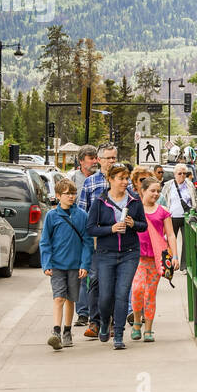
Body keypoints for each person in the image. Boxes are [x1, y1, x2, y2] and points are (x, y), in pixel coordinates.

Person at [87, 162, 147, 349]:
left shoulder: (134, 201)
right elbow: (90, 229)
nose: (125, 182)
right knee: (105, 296)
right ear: (110, 179)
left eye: (126, 178)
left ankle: (119, 334)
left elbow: (143, 226)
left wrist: (133, 224)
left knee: (121, 294)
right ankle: (105, 322)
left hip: (129, 253)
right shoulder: (100, 201)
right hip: (105, 254)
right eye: (121, 178)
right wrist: (110, 229)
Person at [40, 177, 93, 350]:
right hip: (56, 265)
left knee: (71, 299)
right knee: (59, 297)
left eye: (73, 193)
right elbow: (45, 241)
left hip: (75, 266)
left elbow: (87, 242)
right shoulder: (52, 216)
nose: (71, 197)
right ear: (57, 196)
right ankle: (56, 331)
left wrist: (85, 264)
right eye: (67, 194)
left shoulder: (82, 215)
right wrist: (46, 263)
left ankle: (67, 330)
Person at [130, 176, 178, 343]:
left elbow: (170, 234)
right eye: (152, 190)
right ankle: (137, 322)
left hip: (156, 258)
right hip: (137, 257)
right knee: (137, 290)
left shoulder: (163, 211)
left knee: (150, 293)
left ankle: (148, 329)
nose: (156, 194)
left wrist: (175, 256)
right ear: (142, 191)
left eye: (158, 191)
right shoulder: (134, 209)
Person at [78, 142, 119, 339]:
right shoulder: (90, 182)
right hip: (95, 239)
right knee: (93, 281)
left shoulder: (121, 180)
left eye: (114, 158)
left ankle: (109, 322)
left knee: (111, 282)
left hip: (116, 239)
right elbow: (82, 211)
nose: (112, 161)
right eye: (109, 158)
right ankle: (94, 322)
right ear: (99, 160)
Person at [72, 145, 98, 325]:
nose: (94, 161)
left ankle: (95, 311)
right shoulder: (73, 179)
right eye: (91, 158)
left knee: (95, 273)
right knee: (81, 272)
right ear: (81, 161)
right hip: (78, 230)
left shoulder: (100, 179)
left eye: (96, 158)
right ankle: (82, 312)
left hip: (98, 232)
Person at [158, 163, 197, 269]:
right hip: (171, 217)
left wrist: (195, 212)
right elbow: (162, 200)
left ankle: (184, 265)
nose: (182, 175)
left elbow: (194, 200)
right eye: (180, 173)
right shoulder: (168, 185)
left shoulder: (190, 184)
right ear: (174, 174)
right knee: (170, 241)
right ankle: (169, 263)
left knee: (187, 241)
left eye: (185, 173)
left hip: (186, 217)